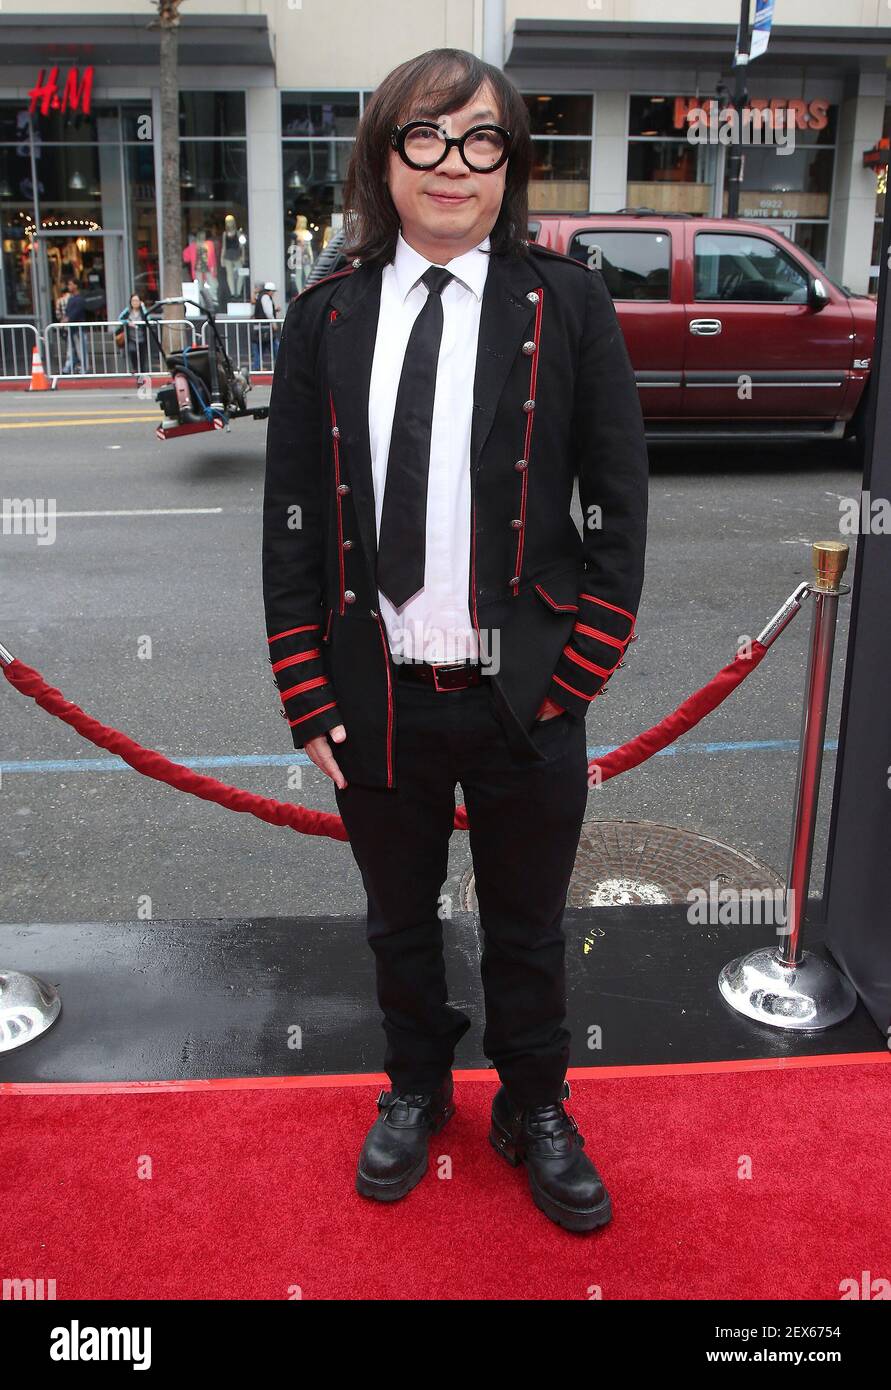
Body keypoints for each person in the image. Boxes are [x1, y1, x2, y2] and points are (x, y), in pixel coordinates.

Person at [262, 48, 648, 1233]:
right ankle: (416, 1087)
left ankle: (536, 1105)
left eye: (481, 140)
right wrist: (304, 689)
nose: (452, 164)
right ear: (385, 157)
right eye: (424, 138)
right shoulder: (326, 316)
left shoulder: (567, 304)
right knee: (397, 920)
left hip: (524, 691)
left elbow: (619, 508)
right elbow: (290, 518)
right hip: (376, 691)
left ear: (510, 164)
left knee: (530, 925)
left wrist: (573, 675)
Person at [117, 292, 149, 383]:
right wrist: (127, 322)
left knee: (142, 360)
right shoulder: (128, 311)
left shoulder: (142, 311)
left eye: (137, 300)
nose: (135, 302)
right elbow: (120, 318)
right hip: (131, 338)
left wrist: (143, 307)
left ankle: (141, 380)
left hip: (142, 338)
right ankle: (135, 368)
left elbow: (148, 318)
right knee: (132, 352)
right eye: (133, 300)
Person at [251, 281, 280, 370]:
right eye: (273, 292)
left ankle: (257, 366)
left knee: (260, 348)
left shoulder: (260, 296)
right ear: (270, 291)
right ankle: (280, 365)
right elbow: (268, 312)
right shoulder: (266, 297)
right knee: (275, 347)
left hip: (260, 328)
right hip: (265, 328)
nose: (273, 294)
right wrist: (274, 323)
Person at [61, 278, 88, 374]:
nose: (69, 286)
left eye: (70, 284)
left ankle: (83, 367)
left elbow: (76, 312)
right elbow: (68, 313)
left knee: (80, 349)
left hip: (78, 328)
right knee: (72, 349)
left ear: (75, 286)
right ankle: (69, 366)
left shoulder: (80, 299)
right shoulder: (71, 299)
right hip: (72, 329)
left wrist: (67, 319)